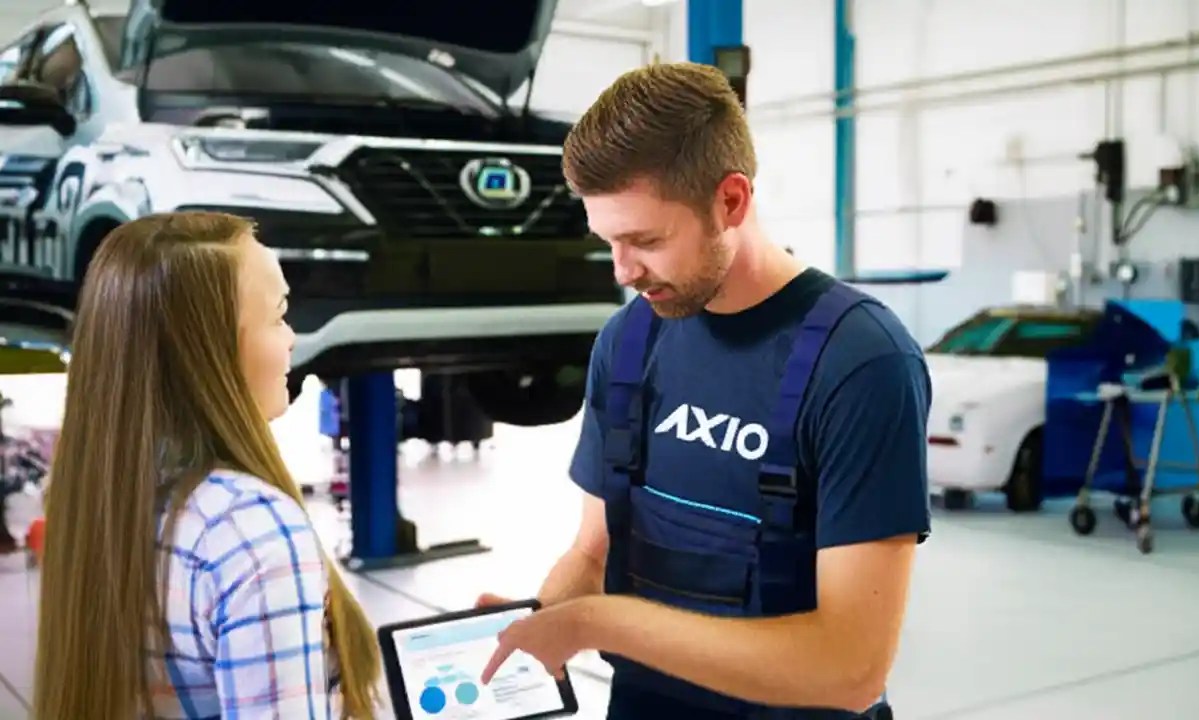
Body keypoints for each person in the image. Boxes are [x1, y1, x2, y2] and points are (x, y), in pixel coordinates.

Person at [476, 62, 932, 718]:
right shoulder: (629, 342)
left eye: (646, 241)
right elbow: (593, 551)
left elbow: (851, 668)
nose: (624, 270)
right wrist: (534, 627)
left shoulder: (862, 363)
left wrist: (593, 624)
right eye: (608, 241)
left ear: (732, 201)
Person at [32, 212, 383, 719]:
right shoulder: (249, 527)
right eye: (278, 314)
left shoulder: (96, 496)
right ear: (211, 350)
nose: (290, 339)